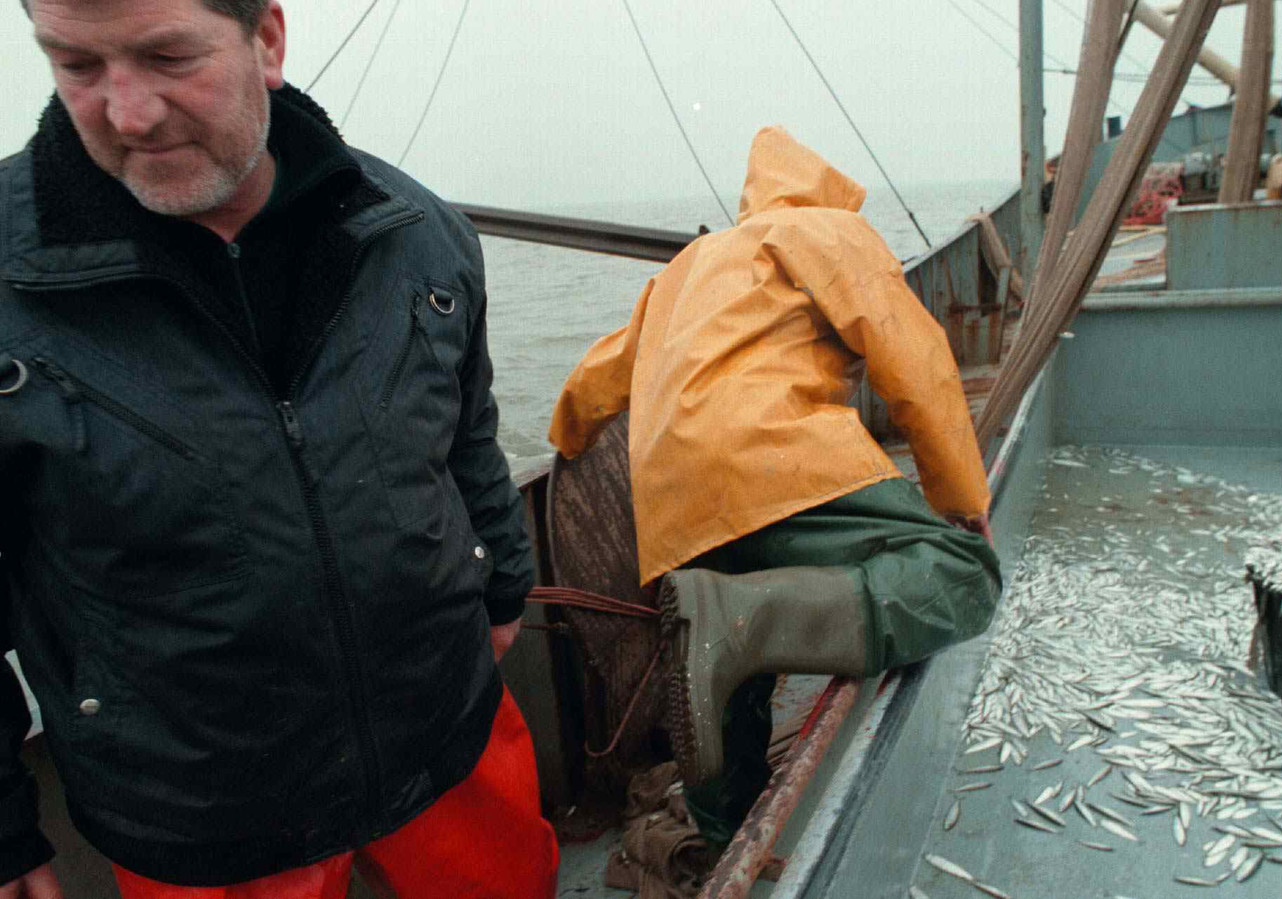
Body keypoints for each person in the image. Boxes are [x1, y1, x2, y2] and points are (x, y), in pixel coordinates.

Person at [0, 0, 557, 896]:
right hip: (202, 811)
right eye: (77, 65)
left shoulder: (417, 232)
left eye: (169, 56)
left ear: (267, 39)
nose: (128, 111)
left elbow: (466, 433)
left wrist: (502, 587)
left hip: (449, 733)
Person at [549, 126, 1002, 844]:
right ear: (827, 189)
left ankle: (725, 838)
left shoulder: (688, 265)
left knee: (724, 698)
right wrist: (961, 499)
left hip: (671, 508)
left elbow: (596, 378)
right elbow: (913, 359)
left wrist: (567, 436)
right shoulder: (829, 230)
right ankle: (749, 620)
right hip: (775, 463)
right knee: (965, 574)